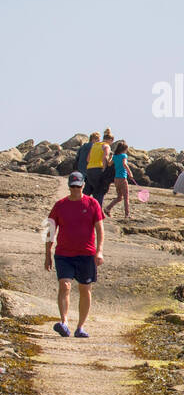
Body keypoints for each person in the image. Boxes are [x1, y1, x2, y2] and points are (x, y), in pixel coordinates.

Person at [44, 172, 105, 338]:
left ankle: (80, 327)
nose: (75, 189)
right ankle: (63, 322)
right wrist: (47, 254)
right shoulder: (59, 205)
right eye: (73, 186)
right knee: (65, 285)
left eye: (78, 186)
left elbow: (100, 229)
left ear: (83, 185)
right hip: (64, 254)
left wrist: (99, 251)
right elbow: (50, 230)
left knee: (85, 289)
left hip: (86, 254)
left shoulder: (92, 204)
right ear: (69, 186)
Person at [102, 140, 137, 218]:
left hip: (116, 179)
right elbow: (124, 164)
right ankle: (127, 214)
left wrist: (110, 157)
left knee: (119, 197)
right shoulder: (124, 156)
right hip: (123, 179)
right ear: (124, 149)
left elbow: (109, 163)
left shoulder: (115, 156)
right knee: (126, 197)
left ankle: (107, 208)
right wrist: (130, 173)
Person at [83, 131, 106, 208]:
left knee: (87, 191)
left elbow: (86, 159)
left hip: (88, 169)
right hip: (96, 169)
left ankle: (81, 207)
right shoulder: (100, 146)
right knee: (98, 192)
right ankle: (97, 210)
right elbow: (104, 157)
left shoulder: (89, 146)